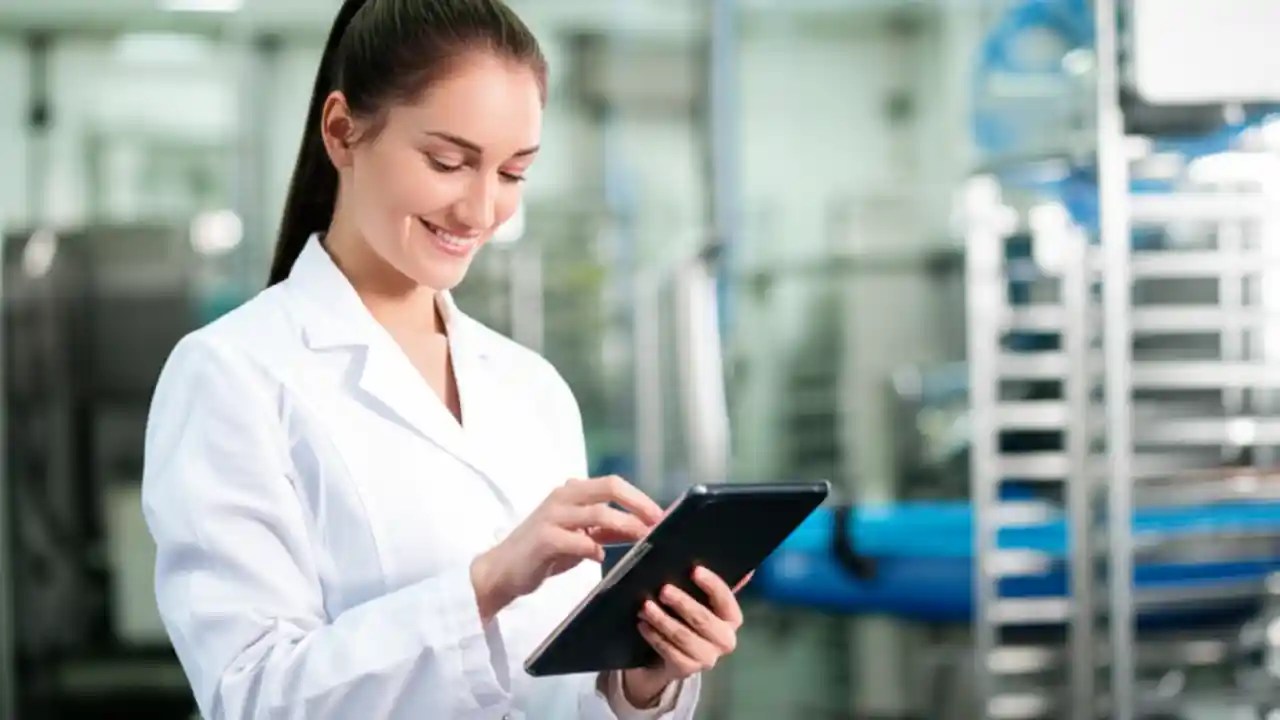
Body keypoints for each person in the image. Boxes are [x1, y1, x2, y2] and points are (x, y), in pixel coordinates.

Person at [140, 0, 746, 718]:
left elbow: (557, 697)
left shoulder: (533, 388)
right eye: (448, 162)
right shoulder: (232, 374)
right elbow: (251, 696)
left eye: (513, 173)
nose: (481, 211)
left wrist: (642, 680)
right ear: (342, 131)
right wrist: (485, 585)